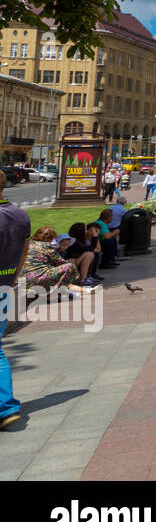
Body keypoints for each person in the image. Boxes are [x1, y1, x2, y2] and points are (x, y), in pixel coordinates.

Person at [0, 170, 32, 428]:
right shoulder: (21, 214)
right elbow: (24, 251)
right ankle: (6, 408)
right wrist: (12, 278)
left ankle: (6, 407)